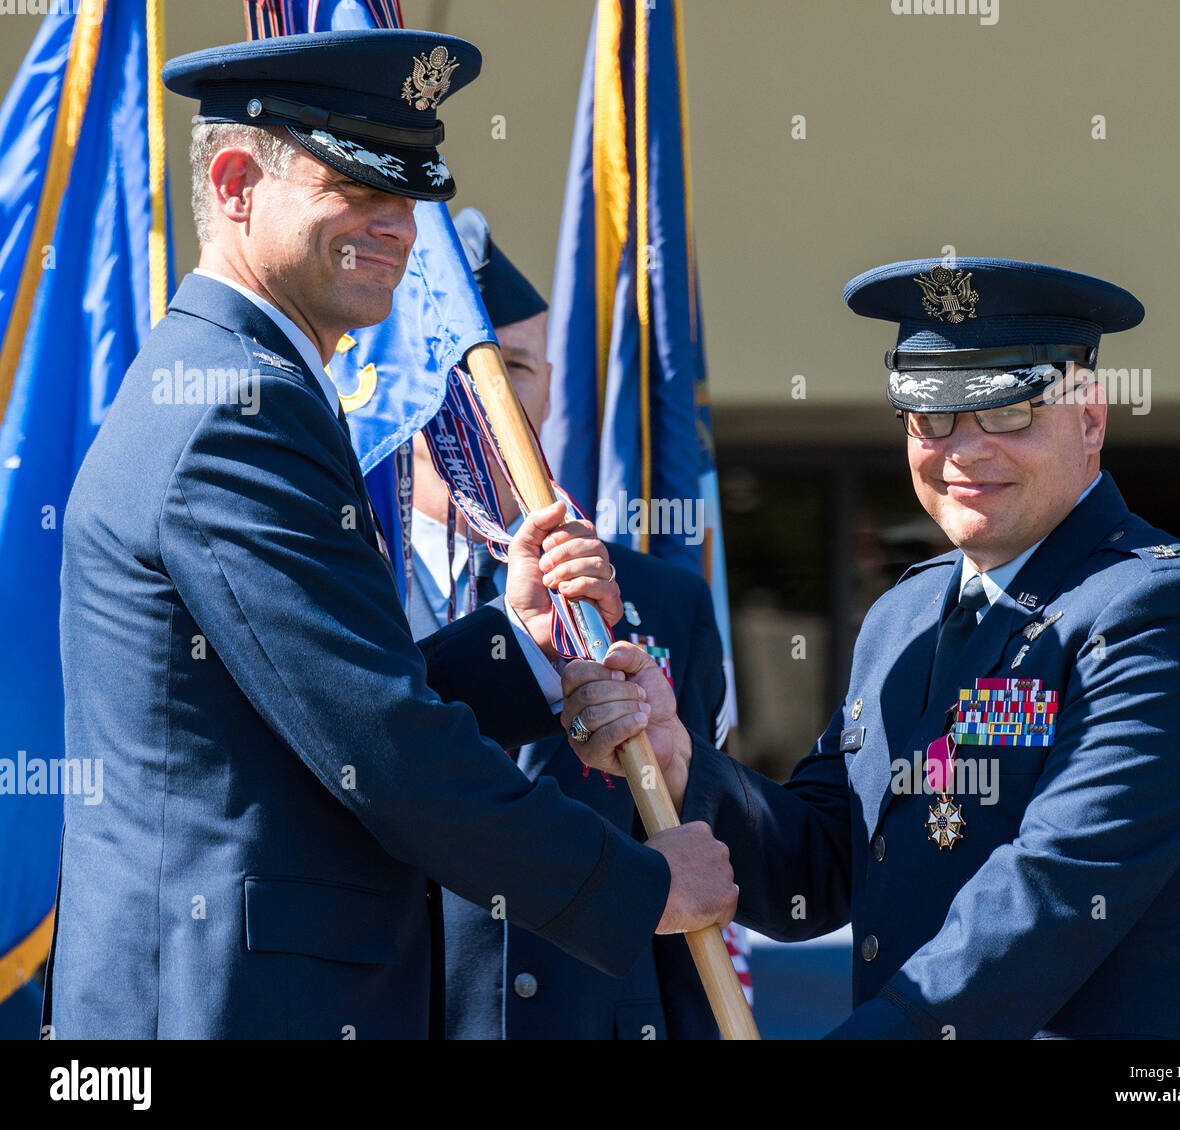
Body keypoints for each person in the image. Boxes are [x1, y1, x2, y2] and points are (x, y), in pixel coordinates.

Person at [44, 29, 736, 1040]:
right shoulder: (238, 410)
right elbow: (379, 738)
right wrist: (634, 886)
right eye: (356, 187)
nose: (400, 229)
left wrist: (520, 646)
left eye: (410, 194)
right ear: (236, 182)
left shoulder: (243, 383)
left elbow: (322, 695)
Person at [563, 256, 1180, 1039]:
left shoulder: (1159, 615)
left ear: (1091, 418)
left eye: (1010, 413)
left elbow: (1047, 901)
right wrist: (681, 761)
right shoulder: (904, 614)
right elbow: (822, 865)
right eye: (933, 417)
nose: (964, 452)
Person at [399, 208, 733, 1038]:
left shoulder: (659, 599)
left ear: (549, 386)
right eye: (457, 372)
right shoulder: (335, 580)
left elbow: (699, 857)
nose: (489, 401)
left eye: (514, 369)